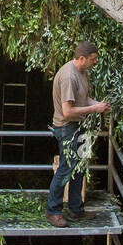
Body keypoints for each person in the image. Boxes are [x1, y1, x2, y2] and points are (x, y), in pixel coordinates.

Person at [48, 41, 110, 228]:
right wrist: (94, 108)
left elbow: (82, 99)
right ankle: (53, 211)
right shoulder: (69, 76)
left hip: (80, 126)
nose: (95, 62)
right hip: (67, 128)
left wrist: (100, 106)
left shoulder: (82, 73)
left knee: (80, 166)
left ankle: (76, 209)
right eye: (92, 59)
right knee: (66, 169)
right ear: (81, 58)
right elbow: (68, 111)